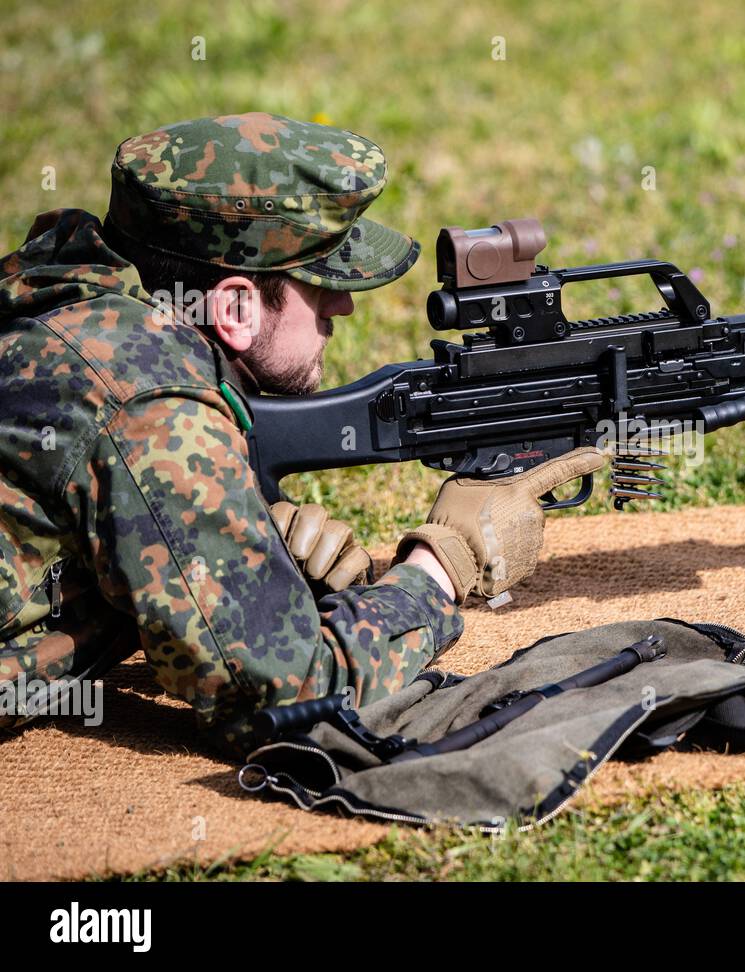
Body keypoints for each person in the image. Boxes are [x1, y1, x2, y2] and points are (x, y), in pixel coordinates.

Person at [0, 112, 605, 757]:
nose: (343, 307)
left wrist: (245, 521)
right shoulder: (153, 411)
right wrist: (440, 570)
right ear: (232, 308)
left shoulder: (66, 296)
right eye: (321, 287)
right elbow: (283, 696)